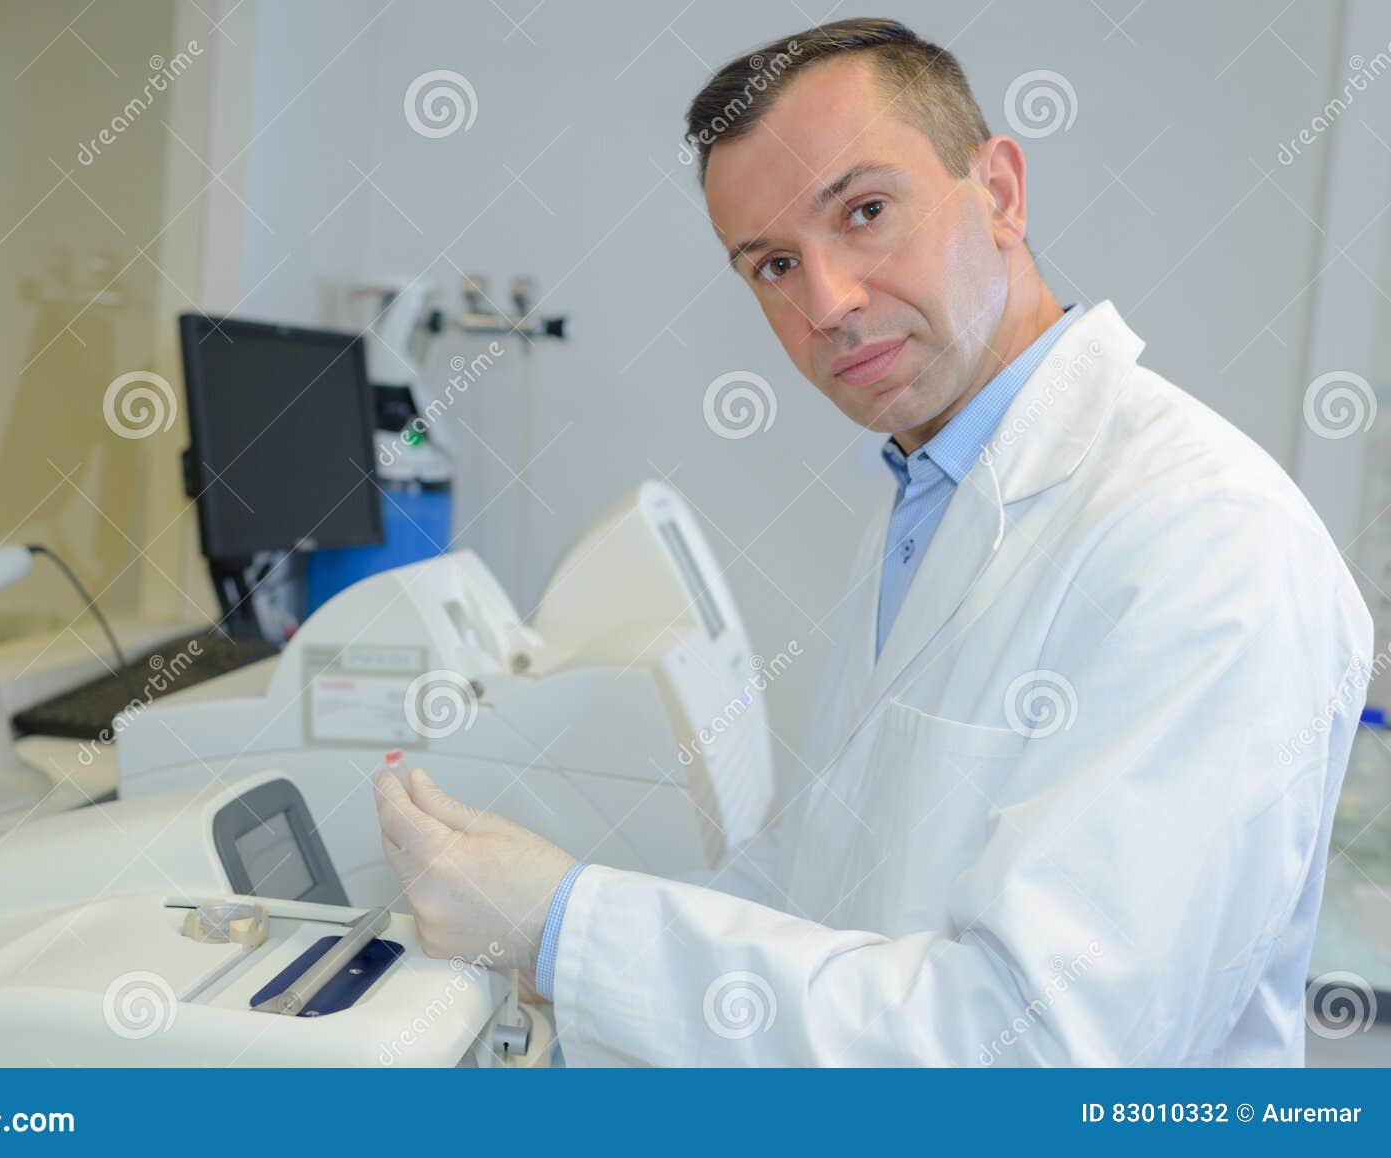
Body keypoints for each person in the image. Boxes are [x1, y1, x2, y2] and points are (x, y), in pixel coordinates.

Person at [374, 17, 1371, 1065]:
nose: (828, 303)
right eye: (770, 264)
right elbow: (816, 890)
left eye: (864, 211)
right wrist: (551, 935)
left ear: (998, 194)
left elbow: (1046, 1055)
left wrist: (571, 926)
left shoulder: (1203, 538)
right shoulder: (930, 496)